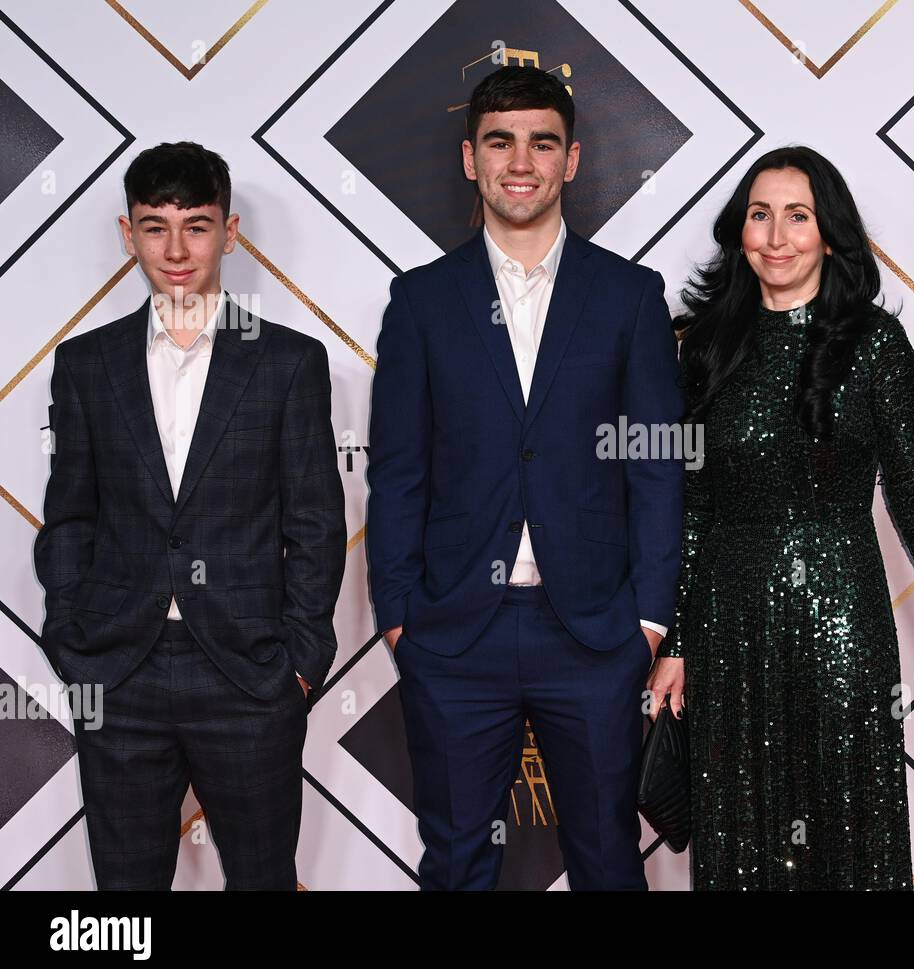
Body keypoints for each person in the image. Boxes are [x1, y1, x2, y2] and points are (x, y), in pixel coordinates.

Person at [366, 66, 683, 890]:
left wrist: (648, 621)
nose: (520, 161)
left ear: (571, 160)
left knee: (608, 861)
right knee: (459, 861)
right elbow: (399, 472)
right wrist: (401, 617)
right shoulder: (421, 302)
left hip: (595, 633)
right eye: (499, 141)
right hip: (455, 634)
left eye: (542, 142)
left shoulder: (631, 297)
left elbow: (655, 464)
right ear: (470, 158)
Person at [34, 141, 346, 889]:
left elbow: (315, 523)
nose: (176, 249)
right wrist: (74, 645)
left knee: (263, 878)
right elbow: (71, 517)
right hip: (120, 670)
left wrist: (298, 663)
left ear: (230, 233)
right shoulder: (87, 364)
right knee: (126, 894)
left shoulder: (287, 362)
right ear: (127, 232)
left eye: (197, 226)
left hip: (249, 674)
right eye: (154, 226)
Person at [652, 146, 914, 890]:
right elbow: (692, 511)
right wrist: (680, 641)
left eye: (799, 216)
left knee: (847, 828)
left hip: (843, 618)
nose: (777, 236)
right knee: (738, 830)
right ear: (740, 230)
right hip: (730, 624)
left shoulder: (876, 345)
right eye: (761, 216)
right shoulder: (702, 347)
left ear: (830, 234)